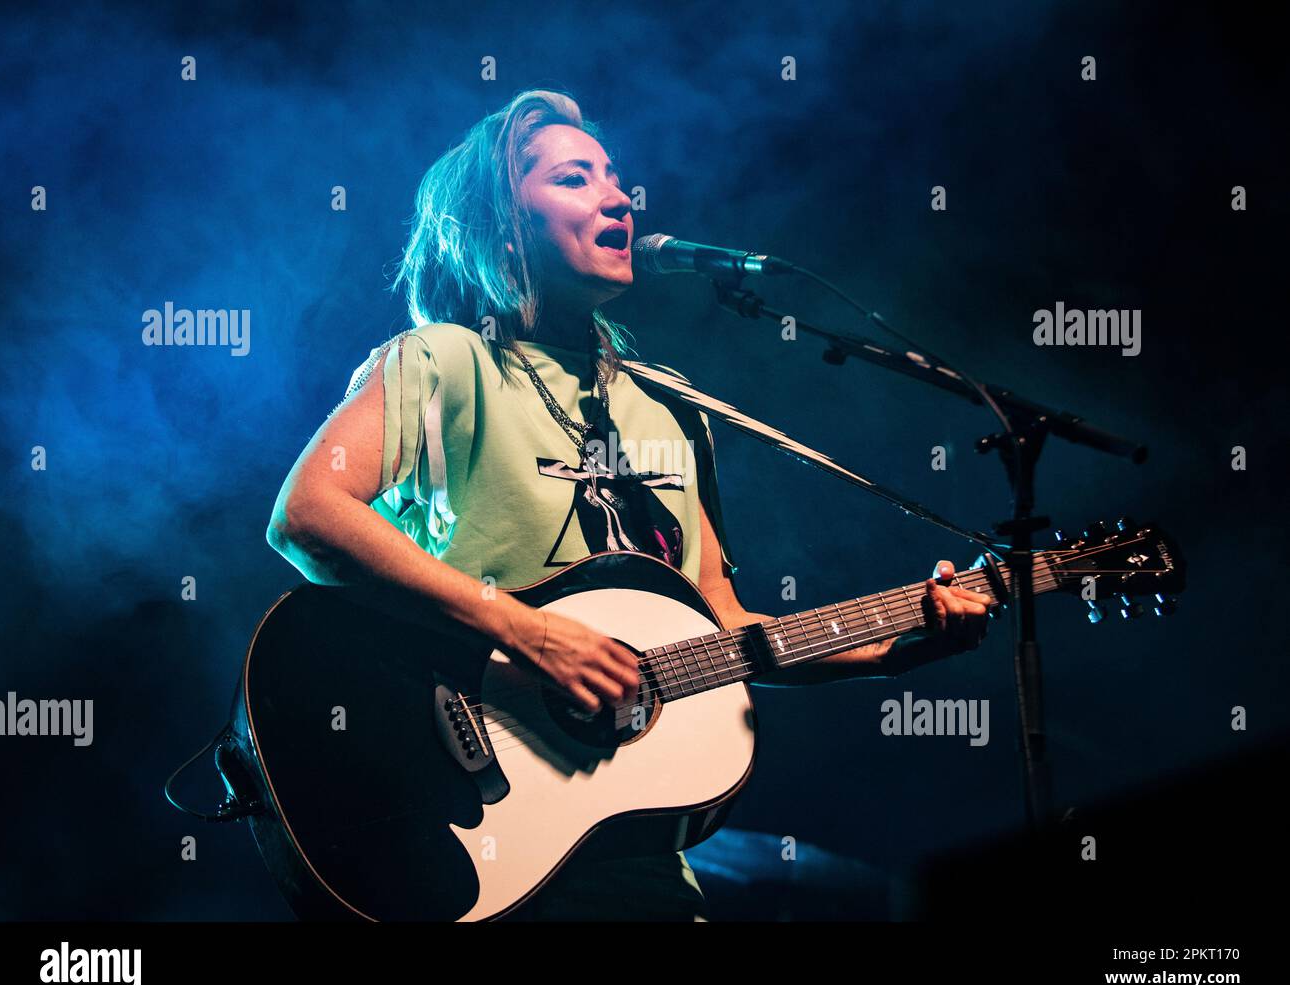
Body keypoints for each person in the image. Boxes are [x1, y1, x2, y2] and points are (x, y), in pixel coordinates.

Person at [265, 89, 991, 921]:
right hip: (460, 812)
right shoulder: (446, 360)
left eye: (616, 178)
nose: (618, 197)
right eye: (576, 179)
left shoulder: (672, 408)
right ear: (503, 226)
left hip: (632, 857)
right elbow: (307, 515)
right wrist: (528, 630)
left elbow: (719, 627)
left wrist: (897, 649)